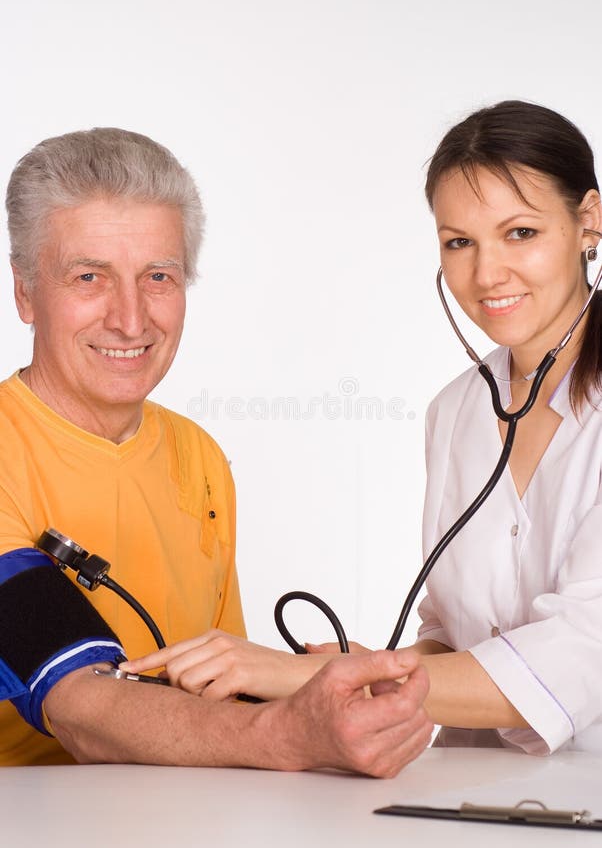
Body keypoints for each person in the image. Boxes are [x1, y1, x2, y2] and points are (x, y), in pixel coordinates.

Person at [124, 101, 602, 756]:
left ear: (588, 221)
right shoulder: (455, 412)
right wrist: (373, 672)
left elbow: (580, 651)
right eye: (459, 242)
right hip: (473, 798)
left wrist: (303, 673)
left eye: (520, 233)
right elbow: (453, 630)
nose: (487, 274)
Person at [0, 127, 432, 773]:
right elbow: (81, 709)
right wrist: (290, 732)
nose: (130, 318)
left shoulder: (197, 456)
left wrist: (321, 690)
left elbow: (216, 689)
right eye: (89, 276)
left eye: (158, 276)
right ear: (27, 293)